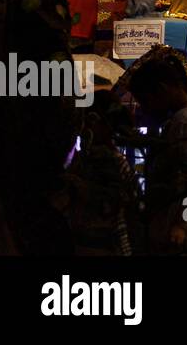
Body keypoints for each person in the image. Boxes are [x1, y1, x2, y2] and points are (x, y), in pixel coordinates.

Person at [127, 56, 187, 254]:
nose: (145, 109)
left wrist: (183, 225)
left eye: (145, 101)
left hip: (174, 230)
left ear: (162, 89)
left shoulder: (183, 121)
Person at [65, 90, 141, 256]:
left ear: (94, 121)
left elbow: (126, 208)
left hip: (109, 246)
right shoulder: (85, 158)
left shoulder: (115, 162)